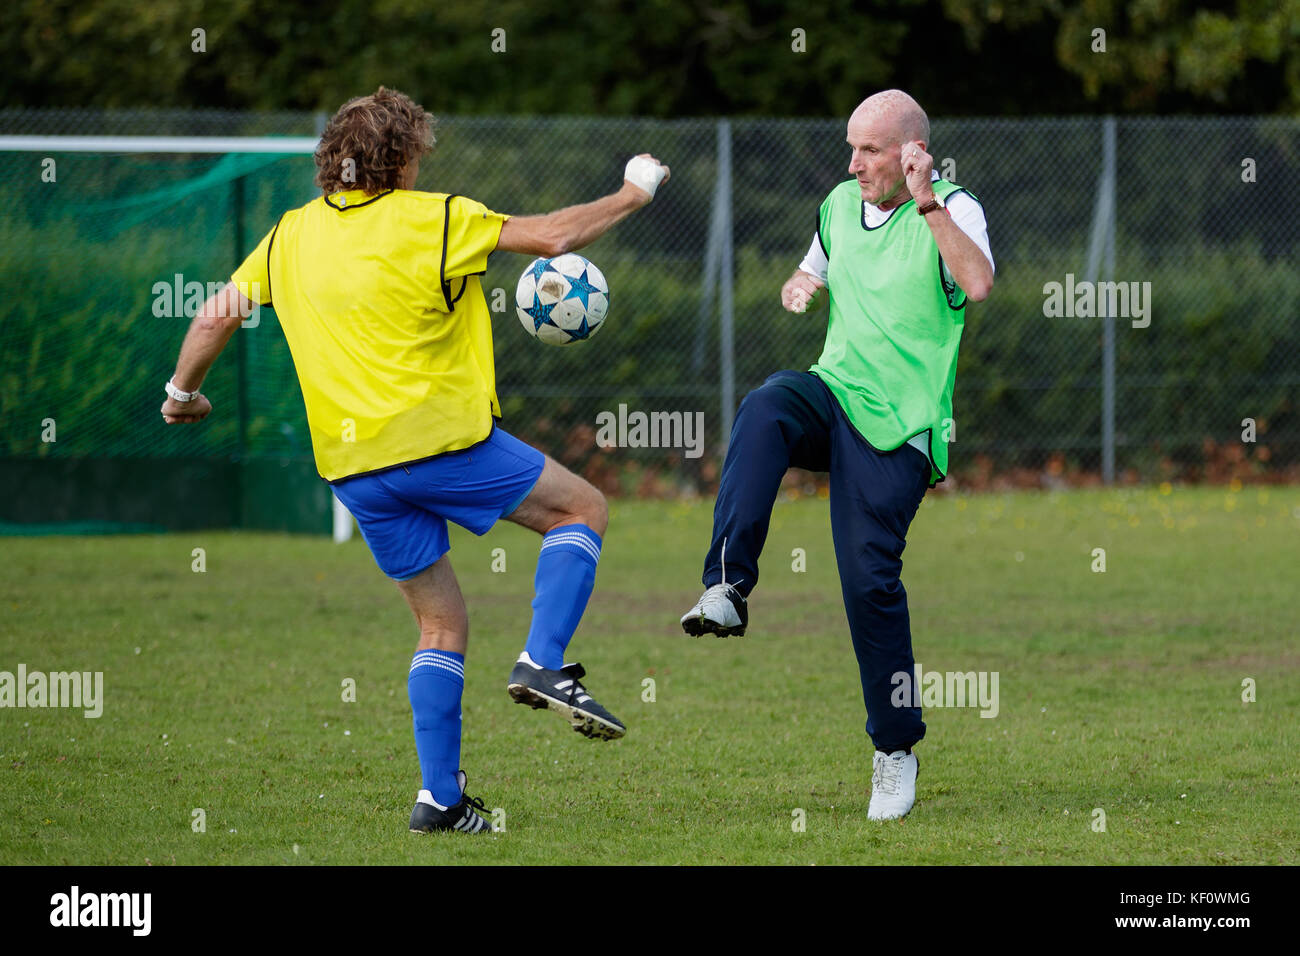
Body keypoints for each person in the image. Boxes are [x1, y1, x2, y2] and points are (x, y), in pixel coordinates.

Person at [160, 87, 669, 835]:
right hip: (441, 443)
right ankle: (543, 662)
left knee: (440, 624)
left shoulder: (288, 235)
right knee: (581, 509)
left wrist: (180, 393)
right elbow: (556, 238)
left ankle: (440, 800)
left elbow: (215, 314)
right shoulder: (434, 217)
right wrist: (634, 191)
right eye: (418, 155)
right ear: (402, 159)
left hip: (354, 471)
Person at [679, 89, 993, 821]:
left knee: (868, 581)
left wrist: (927, 202)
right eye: (851, 147)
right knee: (765, 407)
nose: (853, 163)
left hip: (902, 426)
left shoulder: (953, 207)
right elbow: (814, 268)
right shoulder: (836, 204)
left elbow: (976, 284)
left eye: (870, 150)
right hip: (836, 391)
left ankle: (894, 750)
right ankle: (726, 588)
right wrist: (802, 284)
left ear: (914, 151)